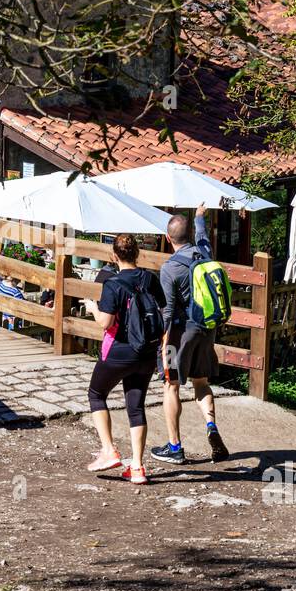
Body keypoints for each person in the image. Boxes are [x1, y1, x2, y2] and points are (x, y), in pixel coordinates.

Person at [86, 234, 166, 485]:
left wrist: (92, 308)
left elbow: (106, 322)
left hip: (119, 352)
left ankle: (109, 450)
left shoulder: (113, 284)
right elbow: (163, 310)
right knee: (136, 406)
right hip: (146, 352)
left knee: (96, 394)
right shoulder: (150, 279)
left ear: (114, 256)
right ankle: (138, 468)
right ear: (137, 254)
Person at [150, 205, 227, 466]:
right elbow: (204, 236)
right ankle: (211, 425)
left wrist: (159, 338)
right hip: (207, 329)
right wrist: (200, 217)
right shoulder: (204, 253)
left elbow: (168, 310)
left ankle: (175, 447)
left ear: (168, 238)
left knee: (171, 386)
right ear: (189, 235)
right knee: (201, 382)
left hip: (182, 333)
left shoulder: (170, 268)